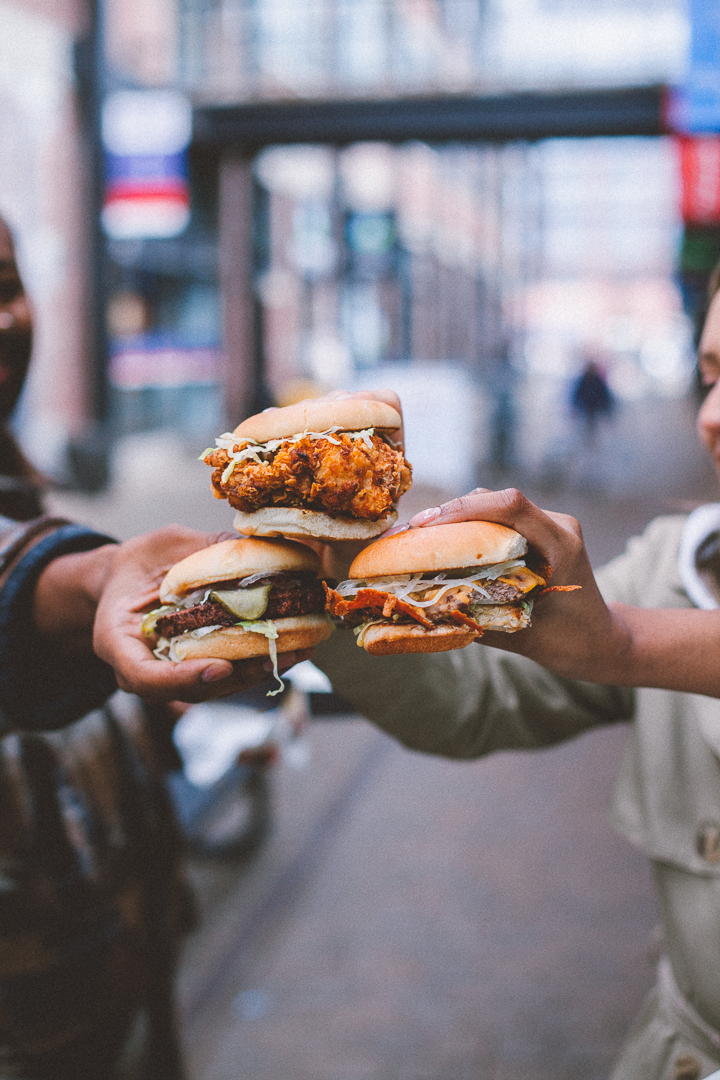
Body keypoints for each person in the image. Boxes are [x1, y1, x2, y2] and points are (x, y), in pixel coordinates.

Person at [306, 287, 720, 1080]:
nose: (710, 417)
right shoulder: (668, 566)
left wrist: (629, 645)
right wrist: (335, 600)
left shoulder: (636, 615)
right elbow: (474, 704)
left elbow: (618, 642)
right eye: (709, 376)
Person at [0, 216, 311, 1080]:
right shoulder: (40, 545)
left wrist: (166, 715)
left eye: (4, 288)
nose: (0, 321)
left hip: (113, 995)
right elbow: (23, 597)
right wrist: (88, 580)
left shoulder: (22, 489)